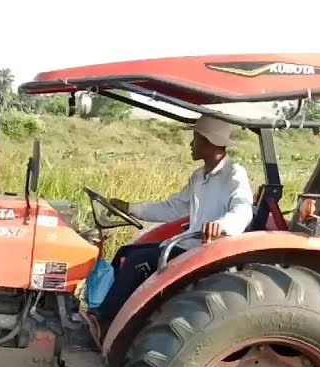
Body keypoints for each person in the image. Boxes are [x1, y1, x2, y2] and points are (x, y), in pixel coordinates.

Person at [96, 114, 253, 326]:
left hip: (206, 251)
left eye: (196, 138)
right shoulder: (199, 176)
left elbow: (243, 209)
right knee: (125, 252)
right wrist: (130, 207)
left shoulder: (234, 175)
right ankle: (105, 310)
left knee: (136, 262)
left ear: (209, 142)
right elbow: (173, 208)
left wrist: (222, 226)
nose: (191, 143)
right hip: (188, 244)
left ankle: (106, 323)